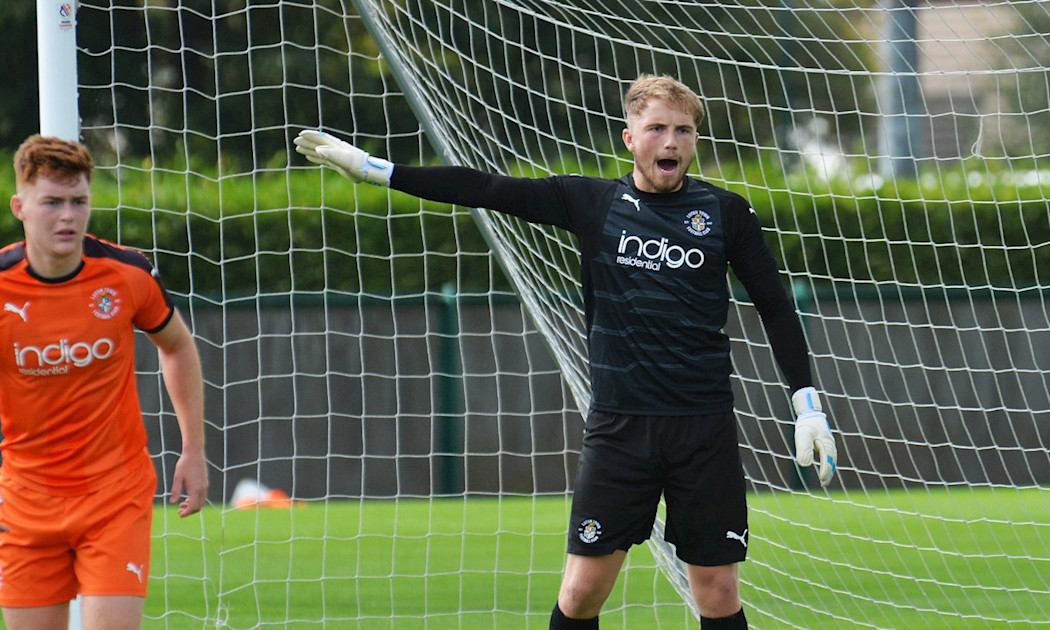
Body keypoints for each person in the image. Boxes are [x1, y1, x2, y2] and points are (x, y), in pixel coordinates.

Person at [295, 73, 837, 629]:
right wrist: (377, 169)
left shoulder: (725, 213)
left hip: (703, 429)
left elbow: (776, 307)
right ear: (630, 138)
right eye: (657, 129)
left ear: (695, 140)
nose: (670, 142)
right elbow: (485, 188)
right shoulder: (593, 202)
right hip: (621, 431)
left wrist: (807, 405)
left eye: (683, 131)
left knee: (718, 592)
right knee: (580, 595)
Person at [0, 135, 209, 630]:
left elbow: (177, 346)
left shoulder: (127, 274)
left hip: (115, 495)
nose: (68, 217)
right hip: (25, 499)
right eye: (52, 202)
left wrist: (193, 449)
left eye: (79, 201)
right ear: (20, 207)